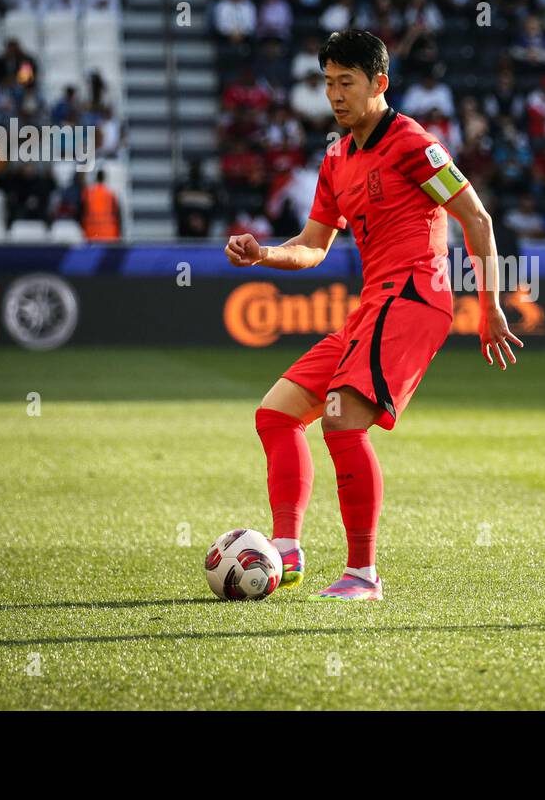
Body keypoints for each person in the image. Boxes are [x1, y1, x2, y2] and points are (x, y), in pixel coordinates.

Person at [224, 30, 523, 601]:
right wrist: (263, 252)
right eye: (328, 83)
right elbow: (313, 246)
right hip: (372, 303)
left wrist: (491, 308)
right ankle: (286, 552)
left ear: (379, 84)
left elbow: (477, 221)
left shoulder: (413, 143)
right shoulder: (336, 158)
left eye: (347, 82)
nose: (335, 95)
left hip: (415, 296)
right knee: (277, 414)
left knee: (340, 419)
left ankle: (363, 575)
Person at [81, 170, 120, 241]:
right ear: (104, 178)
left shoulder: (88, 193)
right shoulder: (111, 194)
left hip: (91, 233)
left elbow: (82, 213)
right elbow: (118, 215)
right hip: (109, 233)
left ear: (95, 178)